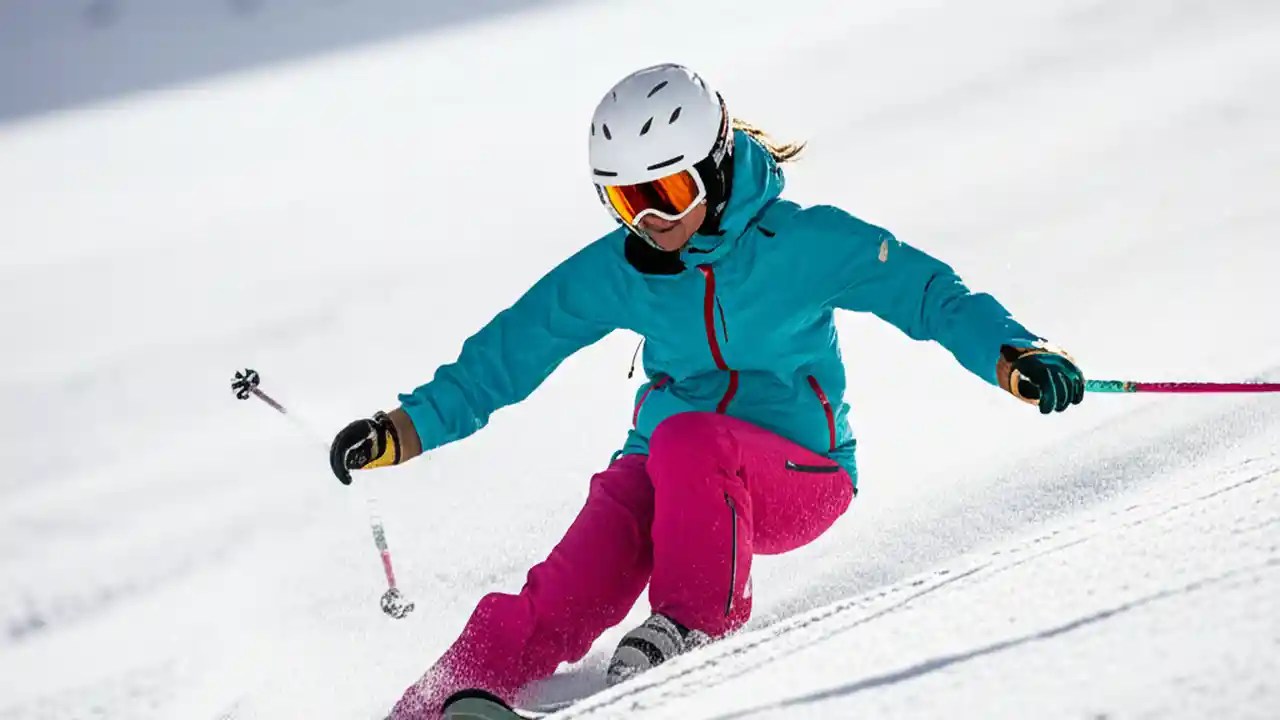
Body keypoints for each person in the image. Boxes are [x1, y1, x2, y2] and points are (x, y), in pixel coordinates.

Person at [329, 64, 1085, 719]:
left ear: (716, 167)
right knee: (599, 531)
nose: (651, 221)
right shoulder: (624, 270)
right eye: (627, 202)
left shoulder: (805, 244)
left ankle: (692, 625)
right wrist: (406, 426)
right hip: (673, 475)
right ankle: (442, 700)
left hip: (801, 476)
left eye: (665, 191)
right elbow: (513, 349)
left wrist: (1014, 352)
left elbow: (928, 293)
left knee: (688, 438)